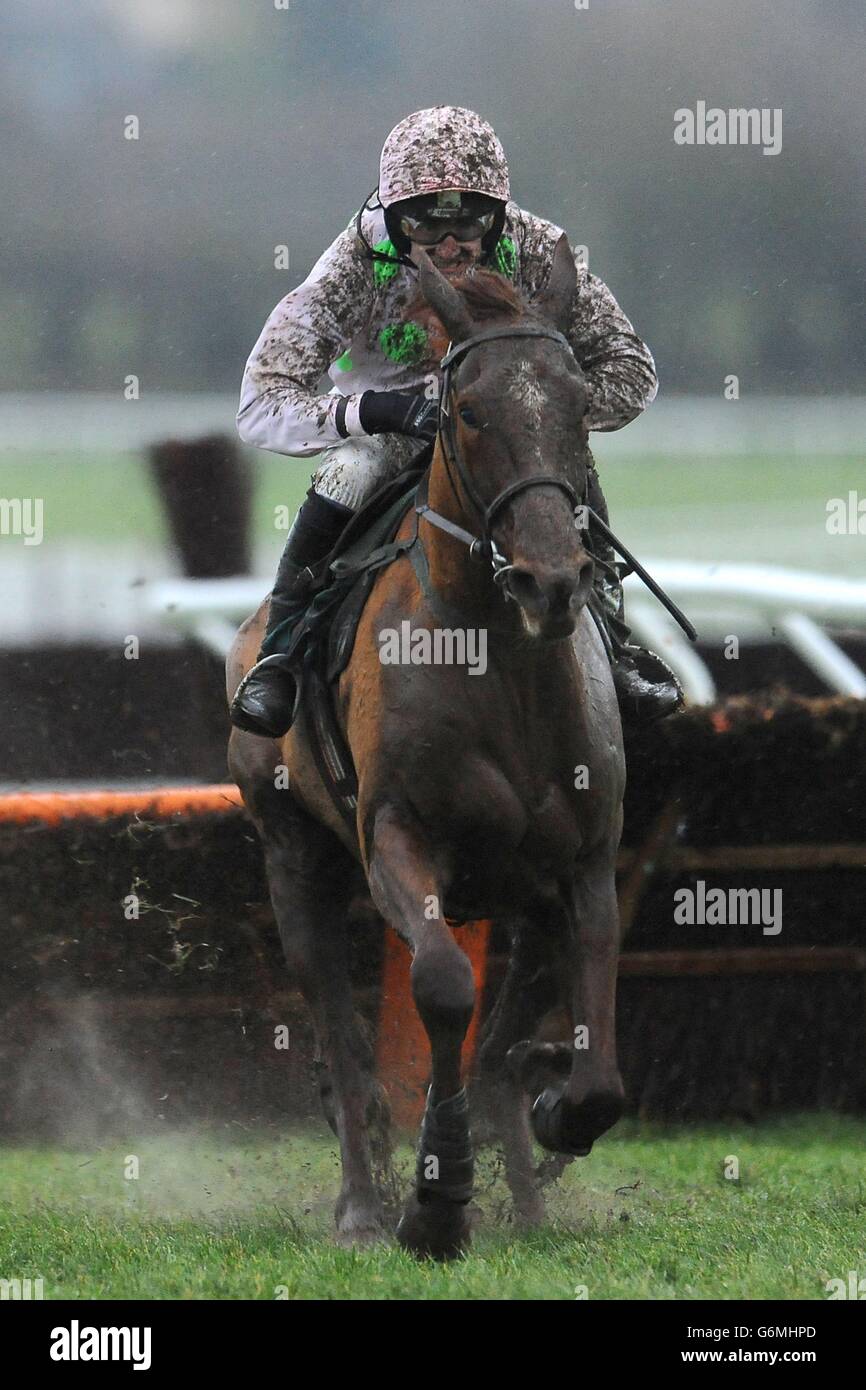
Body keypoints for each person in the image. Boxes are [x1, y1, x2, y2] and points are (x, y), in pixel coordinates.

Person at [230, 105, 681, 737]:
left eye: (468, 221)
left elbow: (632, 368)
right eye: (424, 223)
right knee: (350, 471)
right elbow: (259, 402)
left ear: (496, 216)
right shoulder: (353, 266)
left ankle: (612, 637)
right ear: (393, 220)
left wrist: (541, 412)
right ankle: (281, 652)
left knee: (561, 467)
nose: (448, 245)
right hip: (391, 429)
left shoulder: (535, 250)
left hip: (500, 425)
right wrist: (368, 411)